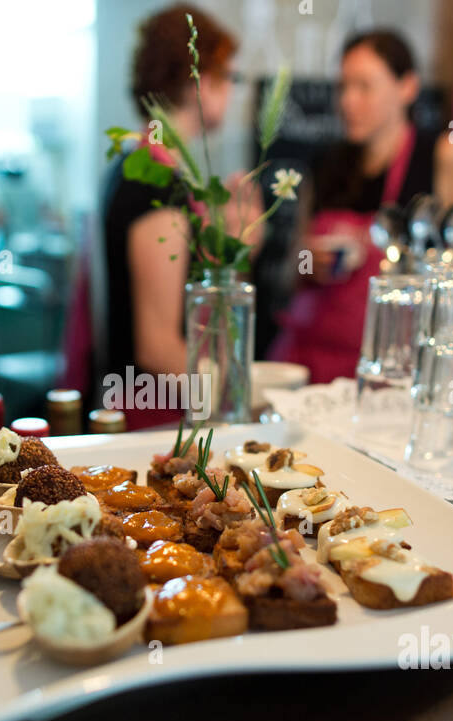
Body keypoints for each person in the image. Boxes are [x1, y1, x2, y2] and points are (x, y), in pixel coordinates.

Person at [269, 30, 453, 383]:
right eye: (343, 87)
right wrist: (311, 263)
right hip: (314, 359)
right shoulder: (326, 163)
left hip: (402, 367)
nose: (348, 101)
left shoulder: (446, 156)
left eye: (364, 87)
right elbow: (292, 268)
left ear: (407, 87)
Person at [101, 4, 261, 428]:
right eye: (228, 77)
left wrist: (232, 241)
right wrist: (236, 401)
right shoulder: (155, 188)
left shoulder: (144, 167)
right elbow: (156, 348)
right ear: (201, 83)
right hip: (152, 419)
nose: (229, 90)